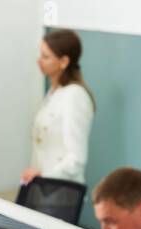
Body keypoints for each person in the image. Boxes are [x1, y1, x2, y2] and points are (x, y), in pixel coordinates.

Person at [21, 29, 95, 185]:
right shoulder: (53, 93)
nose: (39, 61)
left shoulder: (75, 96)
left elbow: (76, 159)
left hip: (60, 190)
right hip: (43, 187)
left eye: (45, 57)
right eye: (40, 55)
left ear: (64, 61)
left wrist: (44, 175)